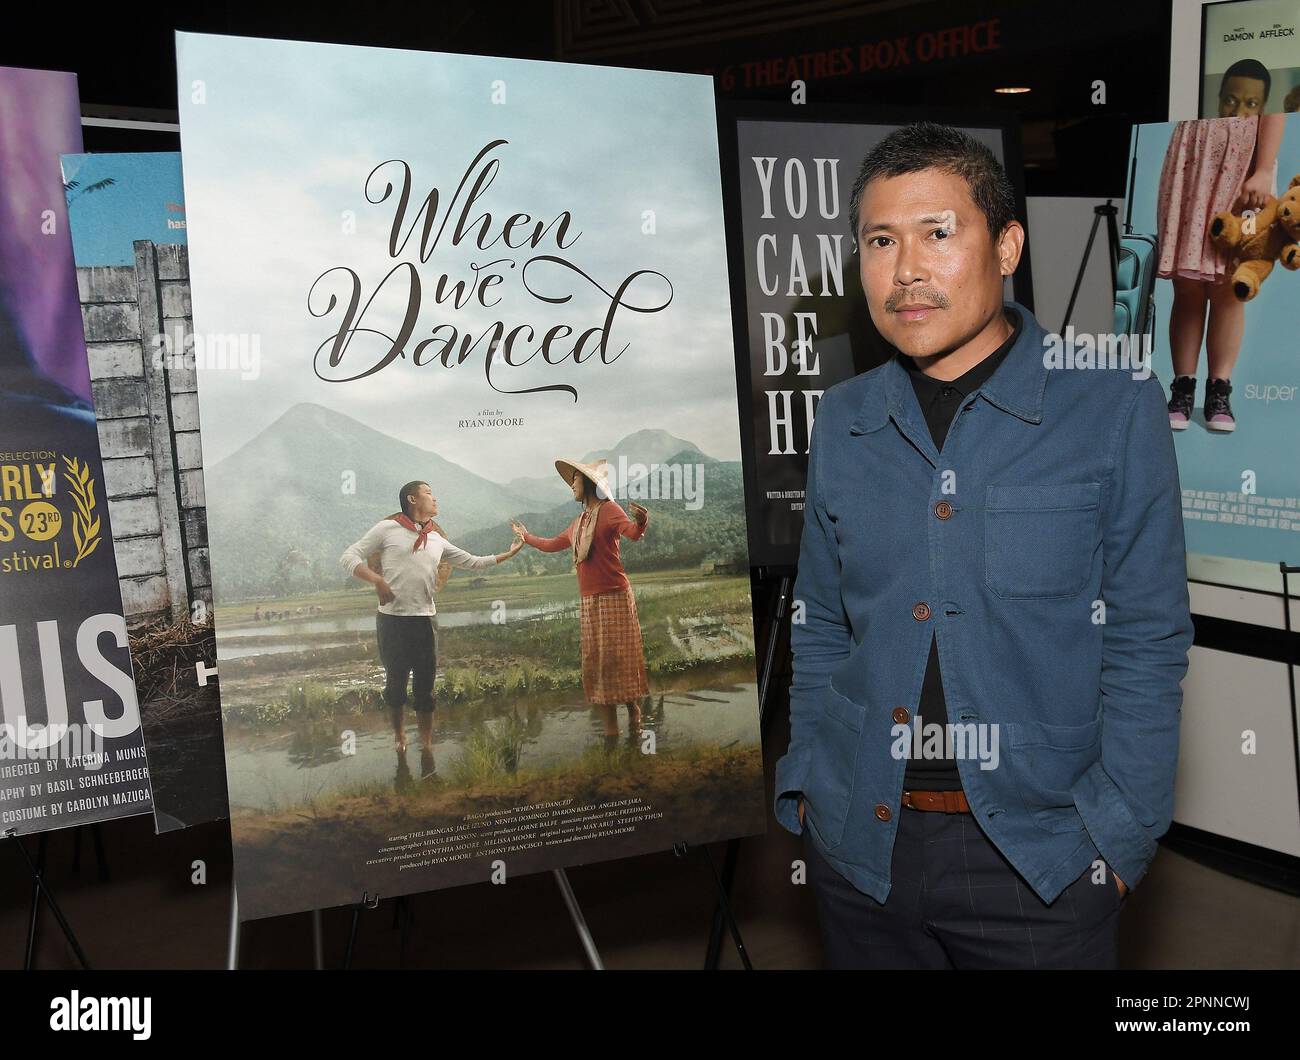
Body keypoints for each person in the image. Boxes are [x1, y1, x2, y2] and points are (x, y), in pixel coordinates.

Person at [773, 121, 1193, 969]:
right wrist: (807, 789)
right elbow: (821, 625)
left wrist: (1119, 837)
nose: (908, 270)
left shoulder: (1112, 408)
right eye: (881, 241)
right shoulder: (846, 421)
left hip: (1043, 864)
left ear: (1007, 246)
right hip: (862, 849)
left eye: (938, 233)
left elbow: (1148, 638)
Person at [340, 480, 523, 766]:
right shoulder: (386, 529)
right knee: (396, 684)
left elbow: (473, 561)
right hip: (392, 621)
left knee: (425, 686)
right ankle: (400, 738)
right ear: (412, 499)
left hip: (425, 621)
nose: (435, 498)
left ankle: (426, 745)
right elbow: (348, 556)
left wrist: (509, 553)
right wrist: (377, 580)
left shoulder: (436, 539)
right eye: (428, 493)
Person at [1162, 58, 1286, 431]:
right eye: (1231, 99)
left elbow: (1275, 112)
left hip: (1243, 173)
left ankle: (1220, 391)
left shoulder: (1271, 83)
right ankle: (1182, 390)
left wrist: (1263, 170)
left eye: (1250, 103)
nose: (1238, 107)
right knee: (1187, 286)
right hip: (1192, 165)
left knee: (1228, 287)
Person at [511, 459, 649, 746]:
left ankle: (633, 709)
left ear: (588, 484)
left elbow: (633, 534)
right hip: (589, 601)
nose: (571, 486)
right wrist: (526, 537)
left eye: (575, 481)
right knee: (597, 662)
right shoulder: (579, 523)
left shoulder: (610, 511)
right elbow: (551, 544)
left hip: (615, 596)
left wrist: (642, 521)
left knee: (617, 658)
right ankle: (612, 732)